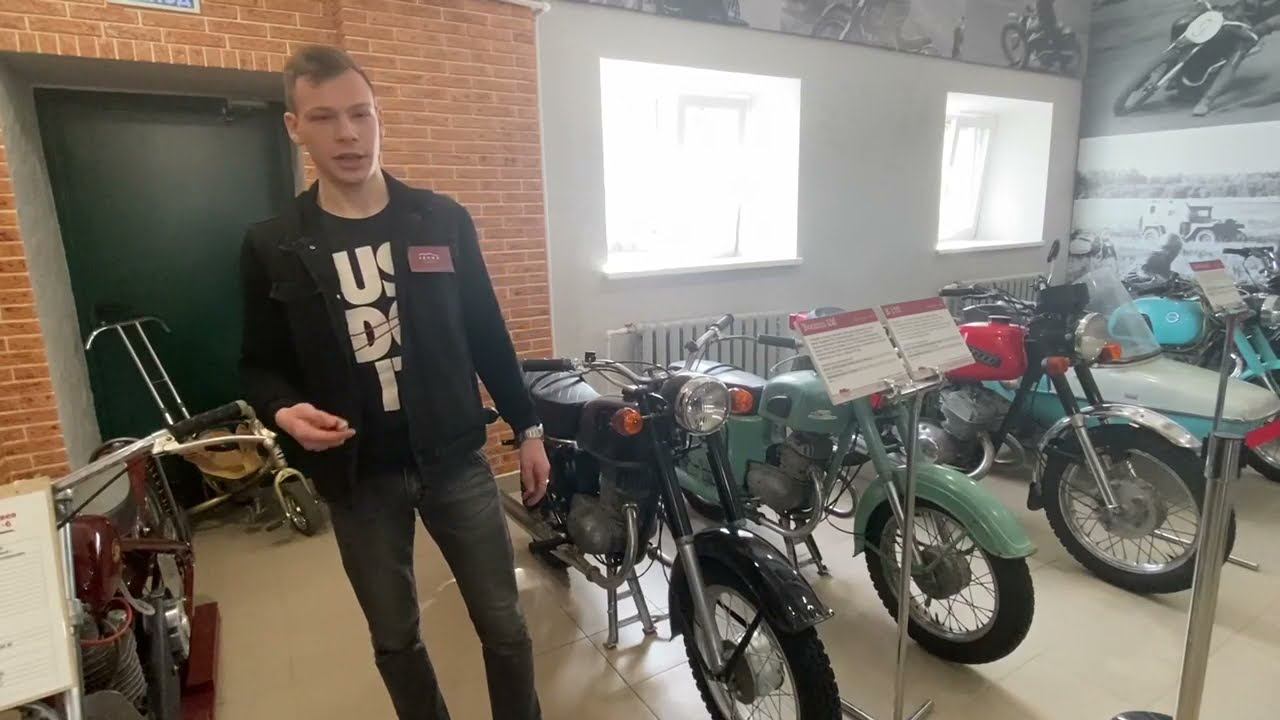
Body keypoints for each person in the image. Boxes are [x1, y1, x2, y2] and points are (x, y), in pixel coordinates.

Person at [239, 45, 550, 720]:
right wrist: (284, 410)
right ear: (294, 127)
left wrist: (529, 427)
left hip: (456, 461)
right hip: (358, 478)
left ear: (379, 116)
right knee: (396, 638)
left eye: (360, 114)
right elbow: (257, 364)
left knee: (505, 625)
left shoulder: (440, 220)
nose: (347, 134)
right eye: (325, 118)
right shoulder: (273, 244)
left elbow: (487, 333)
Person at [1193, 0, 1280, 116]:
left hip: (1257, 26)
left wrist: (1261, 28)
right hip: (1240, 18)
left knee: (1237, 55)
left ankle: (1207, 100)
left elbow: (1271, 23)